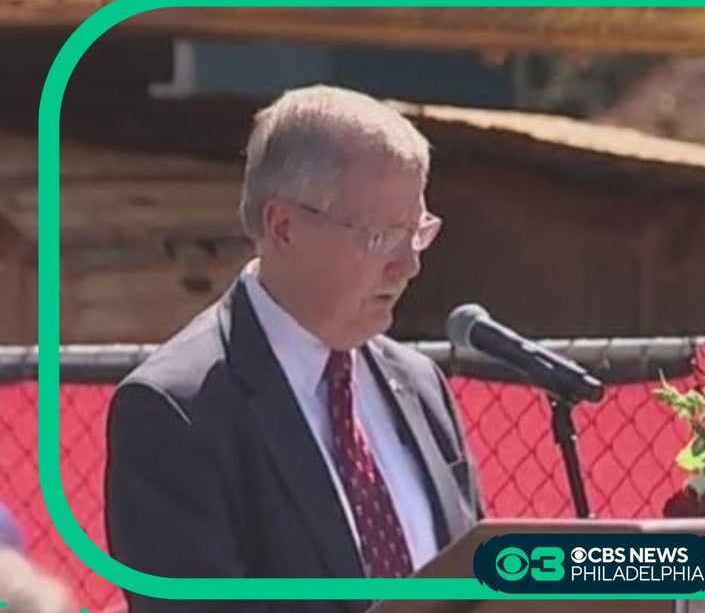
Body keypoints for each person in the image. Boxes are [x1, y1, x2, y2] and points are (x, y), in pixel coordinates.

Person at [104, 85, 485, 613]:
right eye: (380, 236)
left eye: (416, 231)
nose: (408, 265)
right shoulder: (175, 410)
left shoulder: (419, 384)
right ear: (283, 228)